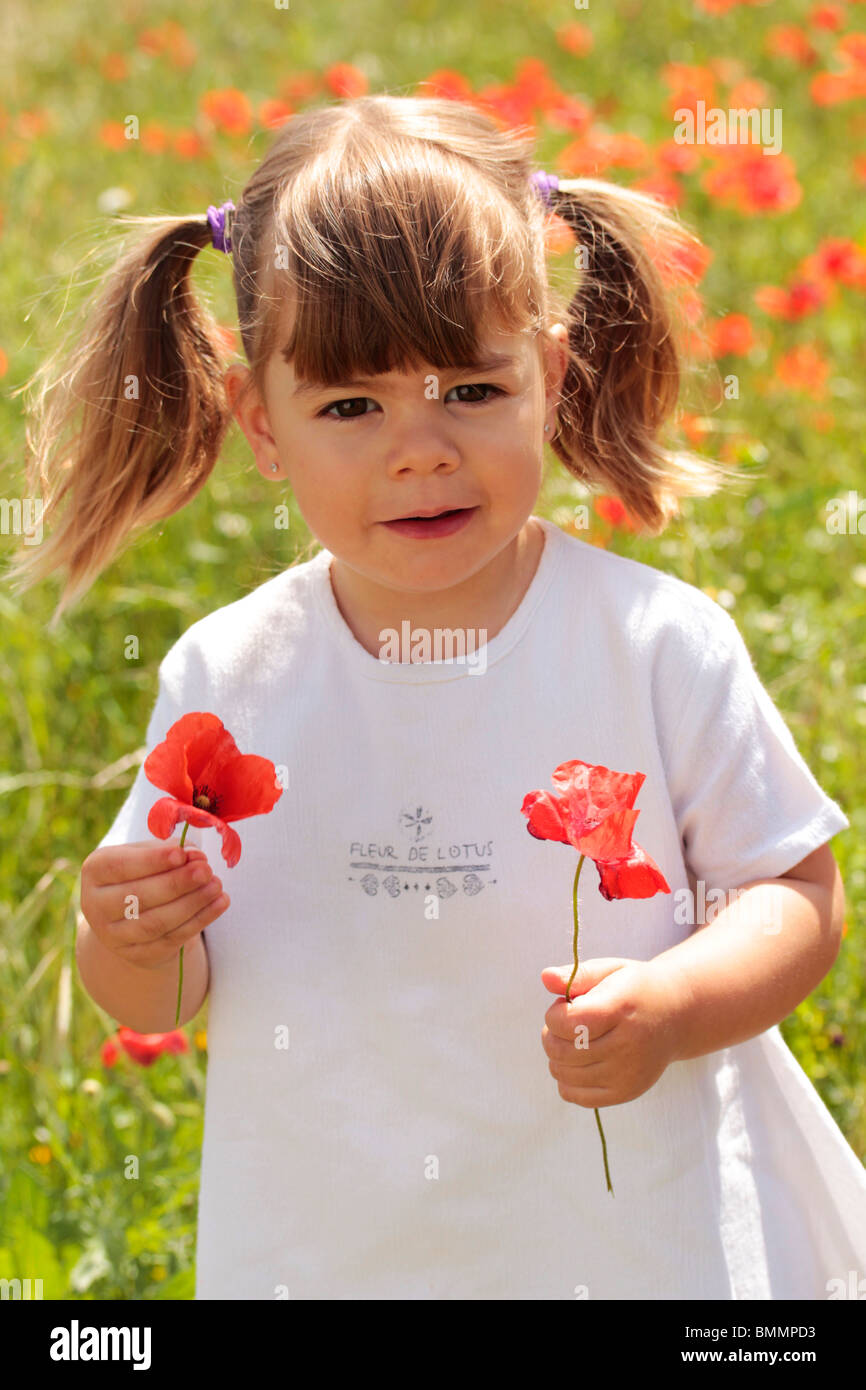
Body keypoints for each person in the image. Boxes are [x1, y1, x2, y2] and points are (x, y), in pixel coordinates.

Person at [9, 93, 865, 1300]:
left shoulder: (652, 645)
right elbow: (175, 985)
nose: (419, 449)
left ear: (550, 374)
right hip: (337, 1244)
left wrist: (674, 1003)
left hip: (625, 1240)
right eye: (351, 407)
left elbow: (793, 894)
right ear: (263, 424)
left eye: (468, 388)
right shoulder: (230, 675)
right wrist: (125, 935)